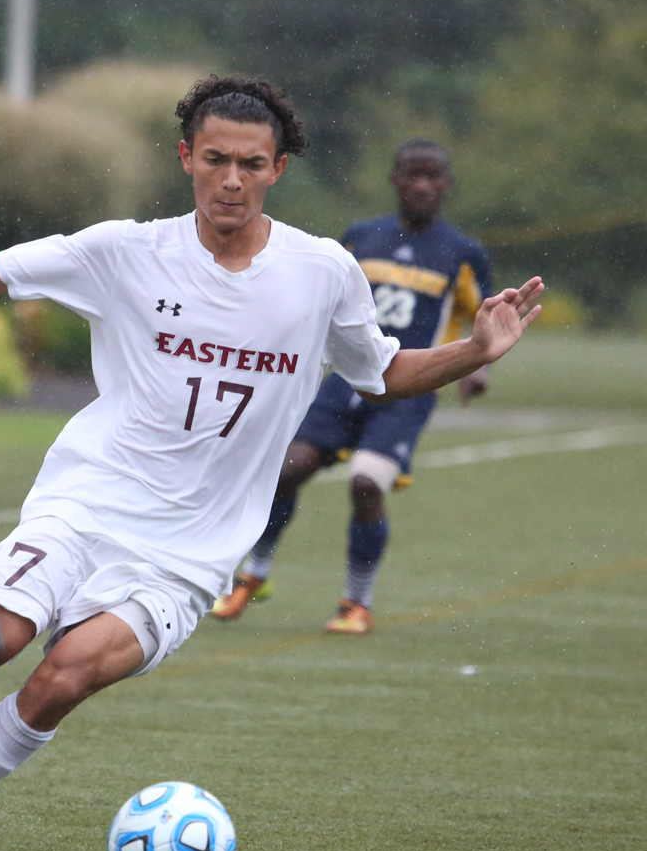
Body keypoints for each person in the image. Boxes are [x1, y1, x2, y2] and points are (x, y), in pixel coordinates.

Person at [0, 76, 541, 851]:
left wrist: (475, 351)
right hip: (88, 506)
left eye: (250, 163)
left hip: (188, 556)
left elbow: (381, 371)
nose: (231, 179)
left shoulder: (324, 271)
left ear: (277, 170)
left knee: (62, 680)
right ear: (185, 158)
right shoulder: (127, 250)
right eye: (214, 160)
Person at [211, 139, 495, 633]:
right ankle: (253, 575)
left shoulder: (463, 253)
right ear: (395, 180)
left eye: (433, 176)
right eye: (413, 174)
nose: (422, 184)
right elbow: (321, 296)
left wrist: (477, 367)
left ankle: (355, 602)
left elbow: (482, 317)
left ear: (446, 185)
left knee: (366, 483)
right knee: (285, 469)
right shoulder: (361, 238)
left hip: (405, 391)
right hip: (343, 381)